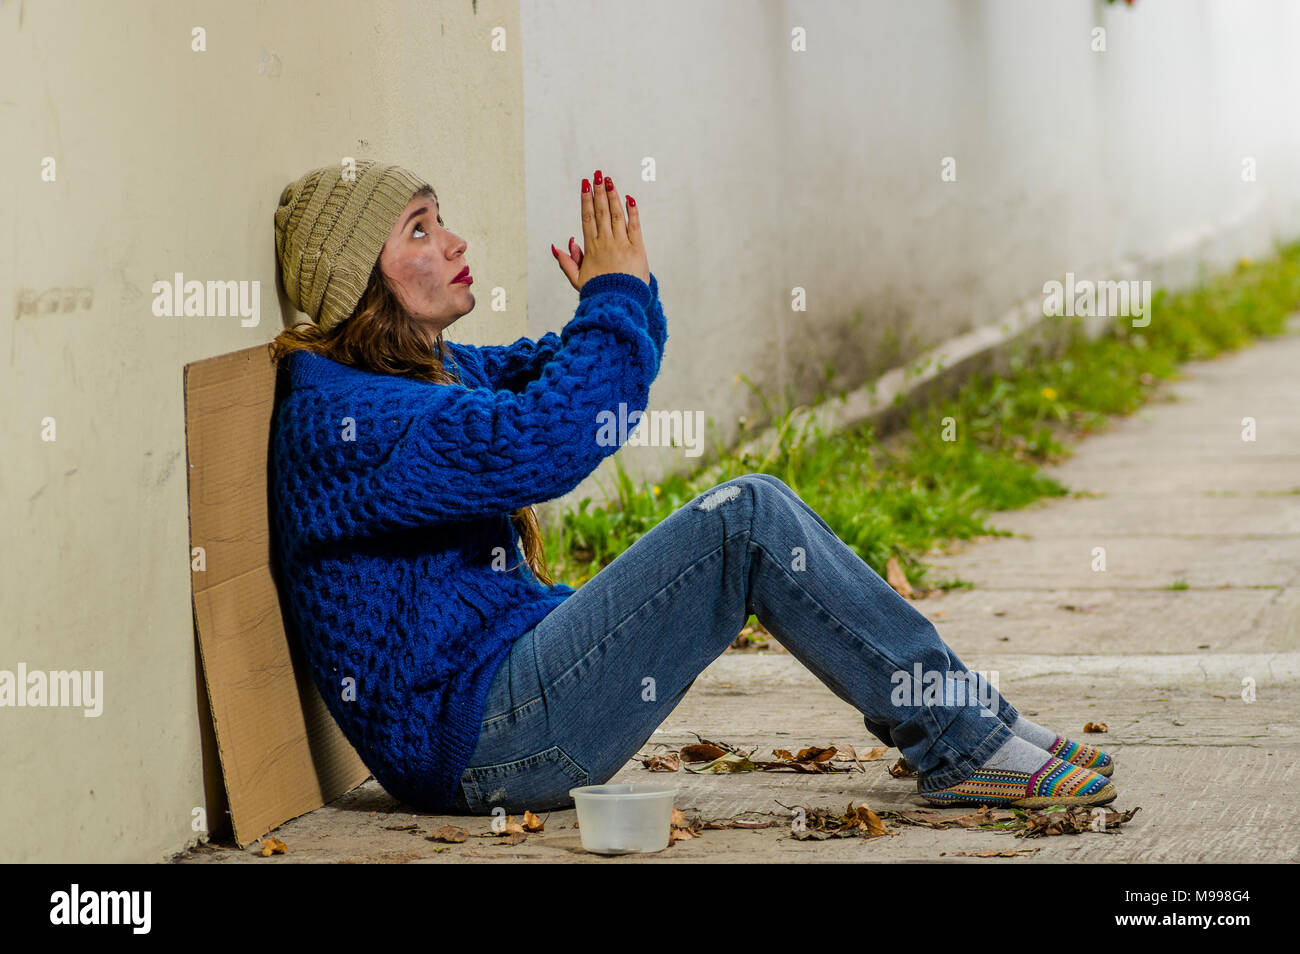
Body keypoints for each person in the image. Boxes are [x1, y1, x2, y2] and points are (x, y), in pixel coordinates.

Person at [268, 159, 1117, 817]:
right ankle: (964, 741)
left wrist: (625, 298)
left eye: (441, 218)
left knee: (749, 511)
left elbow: (550, 376)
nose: (452, 240)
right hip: (483, 745)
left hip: (504, 695)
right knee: (745, 519)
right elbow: (553, 437)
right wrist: (612, 300)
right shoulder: (348, 418)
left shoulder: (418, 374)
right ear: (358, 281)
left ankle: (973, 726)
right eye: (419, 230)